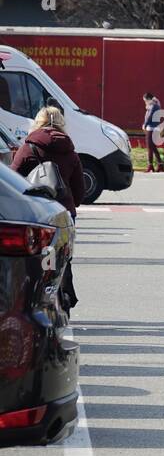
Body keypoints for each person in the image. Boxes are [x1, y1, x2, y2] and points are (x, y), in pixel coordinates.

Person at [12, 106, 84, 311]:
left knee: (38, 259)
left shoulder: (28, 148)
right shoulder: (70, 151)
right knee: (62, 259)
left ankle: (38, 298)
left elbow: (13, 179)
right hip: (64, 214)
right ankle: (64, 297)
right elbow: (79, 193)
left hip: (36, 215)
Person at [142, 92, 164, 172]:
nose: (145, 102)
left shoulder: (153, 106)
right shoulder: (155, 105)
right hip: (153, 128)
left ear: (148, 99)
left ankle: (150, 166)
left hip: (151, 128)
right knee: (153, 147)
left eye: (145, 100)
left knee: (150, 148)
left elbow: (150, 116)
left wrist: (145, 124)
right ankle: (160, 165)